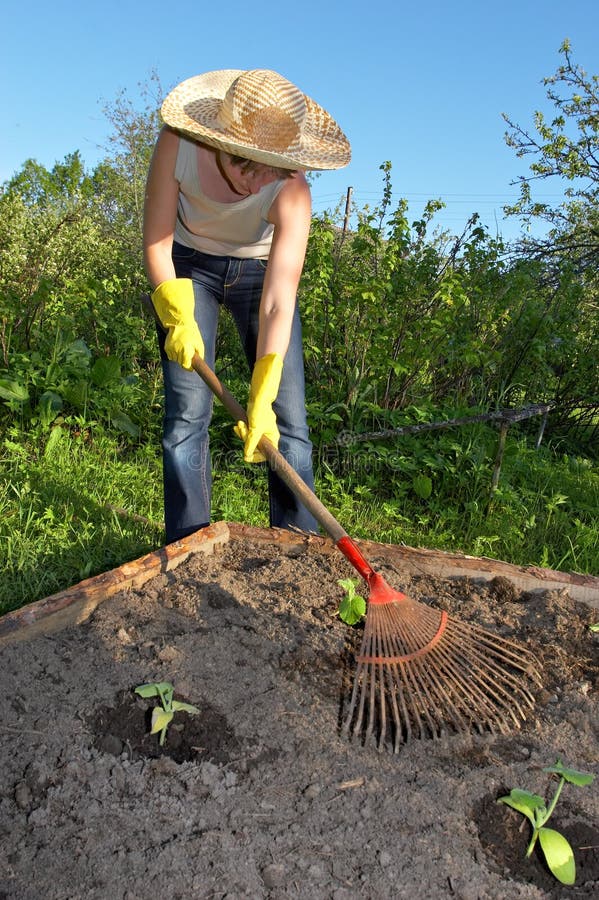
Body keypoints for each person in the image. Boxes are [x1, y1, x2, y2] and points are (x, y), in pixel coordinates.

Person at [143, 68, 350, 543]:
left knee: (287, 419)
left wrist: (264, 383)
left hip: (259, 276)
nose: (256, 185)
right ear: (218, 142)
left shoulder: (293, 191)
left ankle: (296, 548)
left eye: (270, 170)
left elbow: (280, 300)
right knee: (187, 412)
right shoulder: (179, 145)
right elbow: (157, 243)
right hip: (188, 270)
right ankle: (188, 544)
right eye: (246, 167)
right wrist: (176, 313)